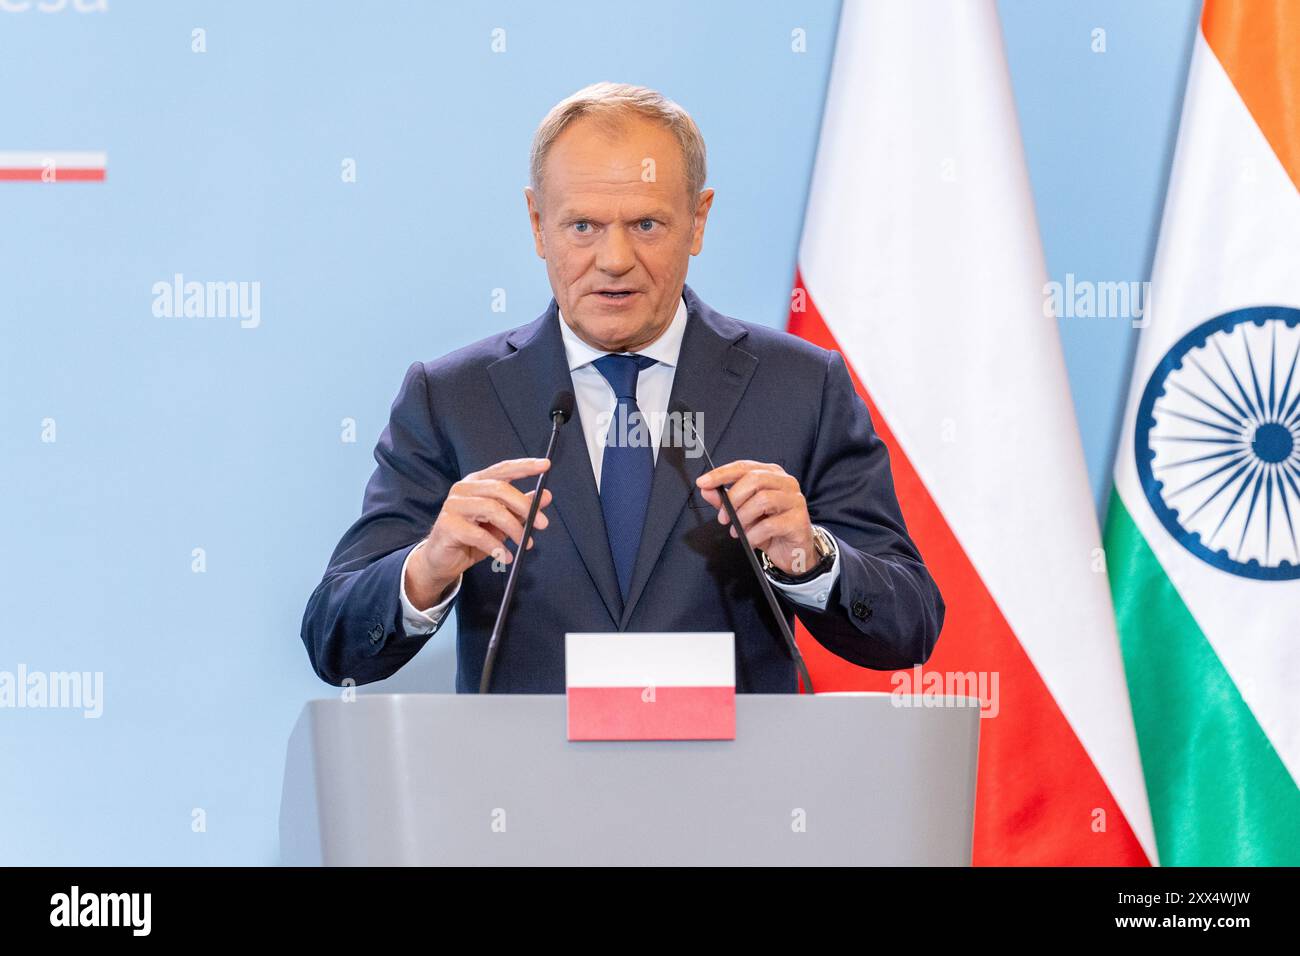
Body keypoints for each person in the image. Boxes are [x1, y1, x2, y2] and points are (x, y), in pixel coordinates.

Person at [301, 82, 944, 692]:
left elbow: (909, 626)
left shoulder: (802, 387)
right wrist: (428, 565)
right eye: (582, 226)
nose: (613, 260)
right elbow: (334, 641)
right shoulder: (451, 398)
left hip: (735, 800)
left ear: (697, 221)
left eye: (646, 225)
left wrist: (813, 557)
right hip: (522, 801)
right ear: (536, 223)